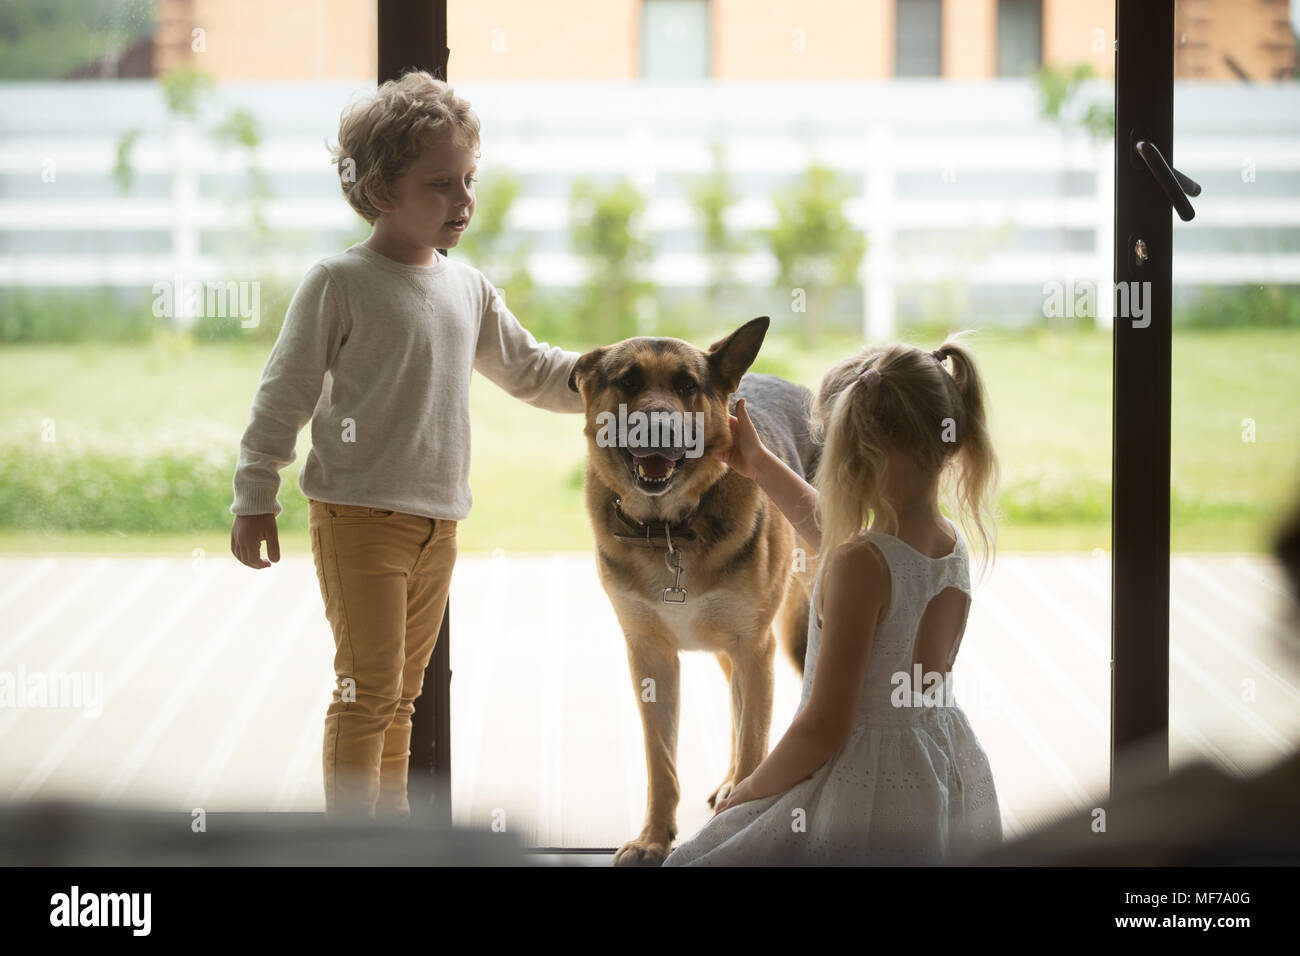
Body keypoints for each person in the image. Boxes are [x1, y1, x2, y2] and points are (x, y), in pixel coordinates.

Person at [228, 71, 584, 822]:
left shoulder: (469, 289)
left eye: (468, 180)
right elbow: (284, 393)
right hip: (357, 518)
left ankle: (387, 841)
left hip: (439, 525)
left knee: (403, 695)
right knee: (366, 693)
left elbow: (535, 371)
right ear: (380, 191)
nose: (464, 200)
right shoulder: (340, 282)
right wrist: (255, 495)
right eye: (440, 184)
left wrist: (624, 377)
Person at [663, 336, 1004, 865]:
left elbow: (824, 726)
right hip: (934, 763)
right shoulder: (944, 541)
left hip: (862, 785)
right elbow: (838, 535)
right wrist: (758, 463)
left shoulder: (860, 565)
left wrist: (749, 788)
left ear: (861, 454)